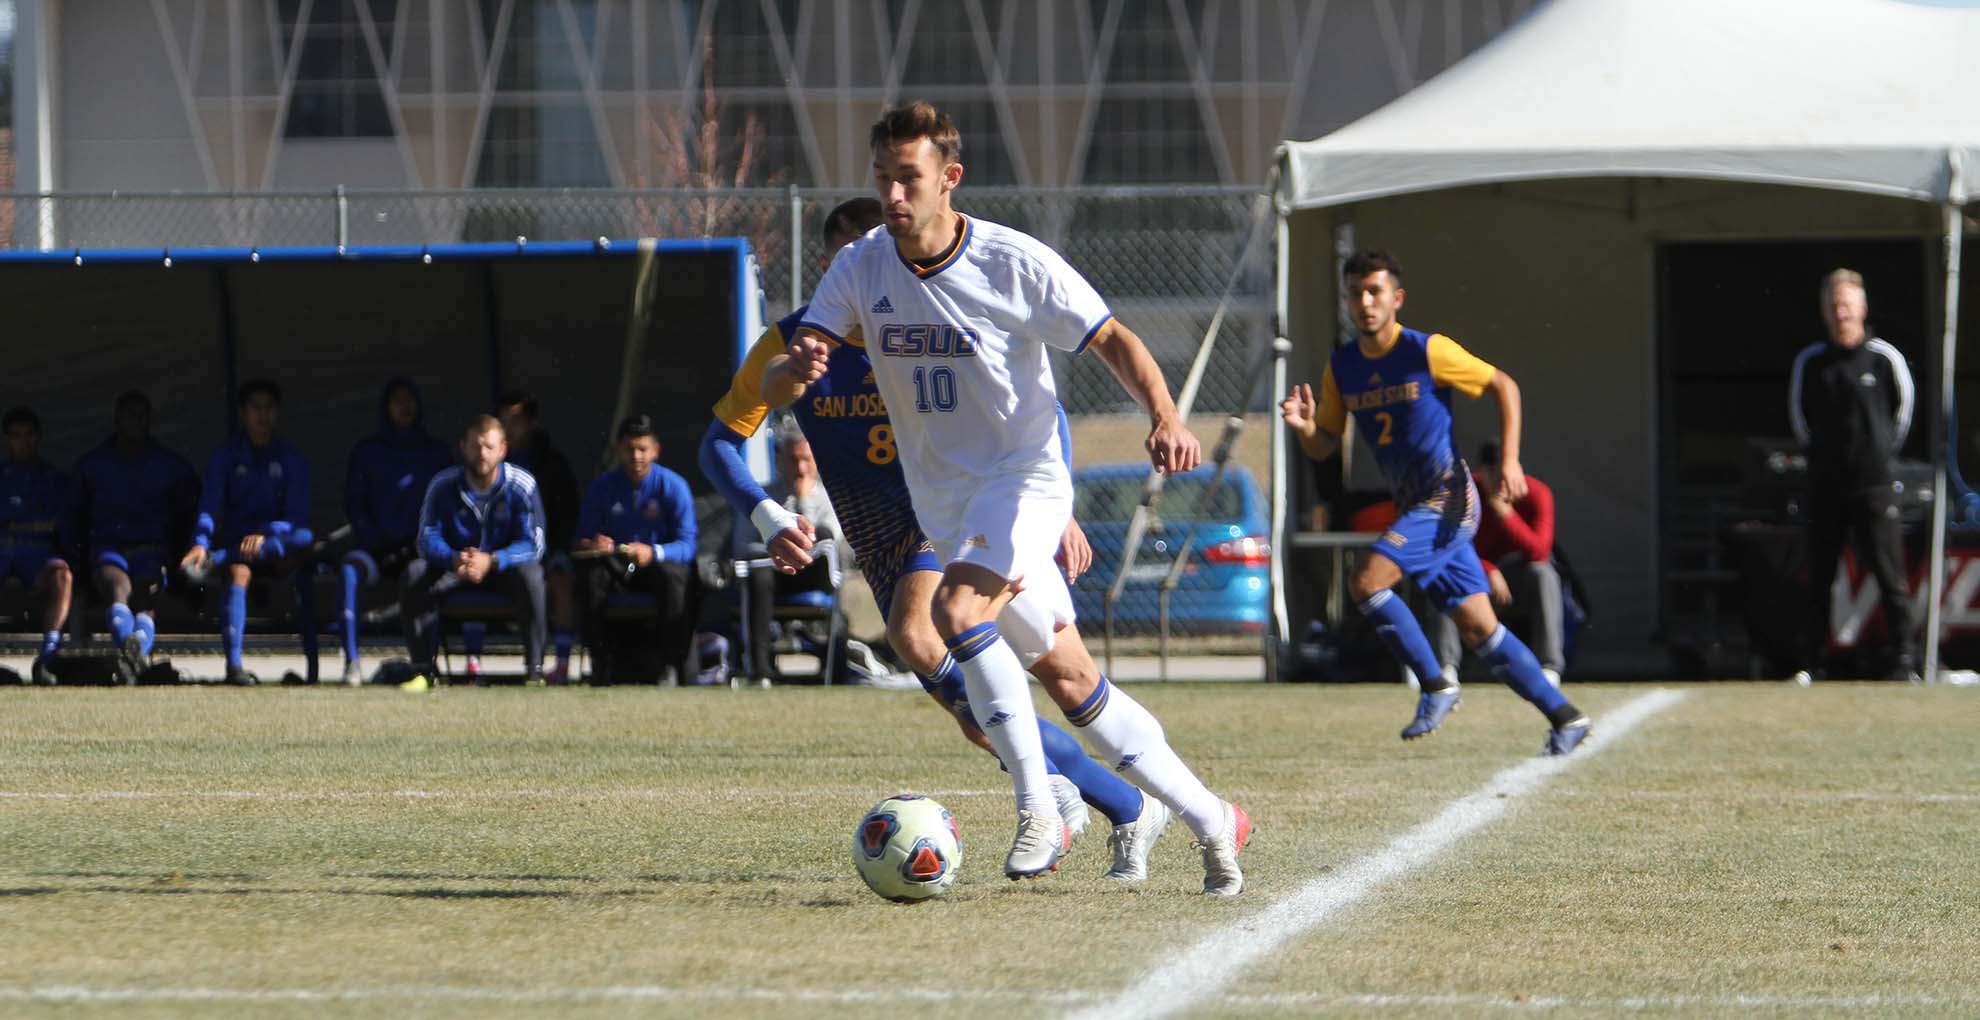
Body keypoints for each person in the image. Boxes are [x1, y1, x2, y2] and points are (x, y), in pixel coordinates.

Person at [765, 103, 1248, 893]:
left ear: (949, 179)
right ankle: (1209, 818)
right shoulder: (860, 265)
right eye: (882, 178)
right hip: (946, 502)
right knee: (1071, 681)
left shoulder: (1013, 261)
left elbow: (1115, 340)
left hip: (1024, 479)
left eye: (908, 179)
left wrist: (1163, 414)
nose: (892, 195)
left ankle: (1041, 808)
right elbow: (788, 371)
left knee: (953, 615)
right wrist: (796, 371)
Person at [701, 197, 1171, 883]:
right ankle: (1126, 804)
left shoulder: (927, 320)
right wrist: (769, 516)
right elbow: (719, 444)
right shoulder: (794, 345)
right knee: (983, 716)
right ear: (832, 269)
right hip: (879, 540)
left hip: (953, 513)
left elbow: (1036, 404)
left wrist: (1055, 503)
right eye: (848, 261)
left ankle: (1057, 797)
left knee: (920, 636)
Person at [1280, 249, 1592, 755]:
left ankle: (1435, 684)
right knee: (1478, 627)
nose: (1364, 301)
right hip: (1414, 506)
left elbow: (1504, 386)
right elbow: (1325, 444)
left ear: (1396, 298)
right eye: (1355, 292)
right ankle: (1566, 717)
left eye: (1374, 291)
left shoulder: (1427, 351)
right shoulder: (1343, 367)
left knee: (1366, 581)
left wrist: (1510, 460)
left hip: (1447, 498)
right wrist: (1305, 427)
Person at [1788, 268, 1918, 683]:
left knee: (1890, 575)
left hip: (1874, 486)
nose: (1841, 311)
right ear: (1824, 310)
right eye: (1833, 303)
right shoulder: (1811, 361)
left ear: (1862, 306)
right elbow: (1799, 417)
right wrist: (1822, 458)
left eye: (1847, 302)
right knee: (1819, 575)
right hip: (1826, 485)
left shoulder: (1884, 358)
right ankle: (1812, 663)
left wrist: (1877, 456)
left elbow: (1902, 414)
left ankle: (1904, 662)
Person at [181, 379, 316, 686]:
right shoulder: (226, 456)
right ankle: (235, 667)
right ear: (243, 413)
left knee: (304, 549)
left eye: (269, 408)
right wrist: (200, 544)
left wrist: (268, 534)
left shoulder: (291, 458)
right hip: (239, 546)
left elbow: (298, 517)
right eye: (256, 407)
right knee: (238, 573)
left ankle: (313, 671)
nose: (263, 415)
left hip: (278, 547)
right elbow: (210, 506)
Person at [402, 415, 547, 687]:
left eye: (489, 447)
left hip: (501, 570)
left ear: (503, 449)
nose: (482, 454)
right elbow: (426, 537)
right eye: (476, 446)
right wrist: (453, 557)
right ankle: (422, 670)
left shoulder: (521, 484)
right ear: (463, 448)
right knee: (415, 573)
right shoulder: (443, 484)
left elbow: (534, 544)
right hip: (456, 567)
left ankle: (534, 671)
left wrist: (493, 560)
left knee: (533, 576)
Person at [73, 391, 200, 683]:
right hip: (109, 548)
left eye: (143, 415)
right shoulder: (93, 464)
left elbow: (190, 510)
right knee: (117, 587)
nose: (137, 421)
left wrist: (181, 556)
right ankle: (135, 657)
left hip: (151, 550)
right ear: (117, 419)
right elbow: (73, 517)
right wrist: (77, 561)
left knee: (146, 595)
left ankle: (131, 656)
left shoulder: (170, 465)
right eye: (130, 414)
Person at [338, 378, 454, 686]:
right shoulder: (367, 451)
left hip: (420, 552)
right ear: (386, 407)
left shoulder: (435, 452)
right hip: (377, 551)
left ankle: (424, 666)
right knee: (350, 569)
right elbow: (355, 505)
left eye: (409, 400)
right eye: (397, 400)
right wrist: (374, 539)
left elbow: (449, 506)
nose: (404, 406)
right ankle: (351, 663)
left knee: (422, 575)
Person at [1430, 442, 1569, 688]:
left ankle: (1549, 667)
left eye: (1506, 472)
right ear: (1481, 472)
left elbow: (1539, 551)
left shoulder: (1537, 493)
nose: (1501, 481)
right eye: (1494, 473)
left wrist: (1506, 514)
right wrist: (1488, 570)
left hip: (1517, 580)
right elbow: (1449, 547)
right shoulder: (1463, 494)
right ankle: (1446, 668)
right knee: (1444, 576)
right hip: (1474, 575)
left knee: (1543, 574)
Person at [575, 415, 698, 685]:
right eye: (629, 448)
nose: (636, 456)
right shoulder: (602, 486)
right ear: (619, 449)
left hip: (655, 566)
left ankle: (669, 666)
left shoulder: (673, 486)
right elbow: (582, 540)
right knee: (590, 576)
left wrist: (653, 553)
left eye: (642, 449)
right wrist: (594, 544)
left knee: (675, 577)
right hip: (615, 566)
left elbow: (688, 546)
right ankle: (600, 662)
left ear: (655, 450)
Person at [497, 391, 582, 682]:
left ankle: (558, 664)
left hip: (546, 552)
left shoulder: (552, 463)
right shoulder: (487, 464)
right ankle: (472, 661)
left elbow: (566, 513)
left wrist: (552, 551)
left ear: (532, 422)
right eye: (504, 420)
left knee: (558, 578)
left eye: (517, 419)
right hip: (499, 553)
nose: (510, 426)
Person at [1, 408, 75, 685]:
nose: (23, 442)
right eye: (16, 436)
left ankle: (48, 658)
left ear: (39, 438)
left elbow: (58, 524)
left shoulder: (53, 479)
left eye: (29, 435)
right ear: (7, 439)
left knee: (62, 575)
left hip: (36, 553)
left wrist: (17, 526)